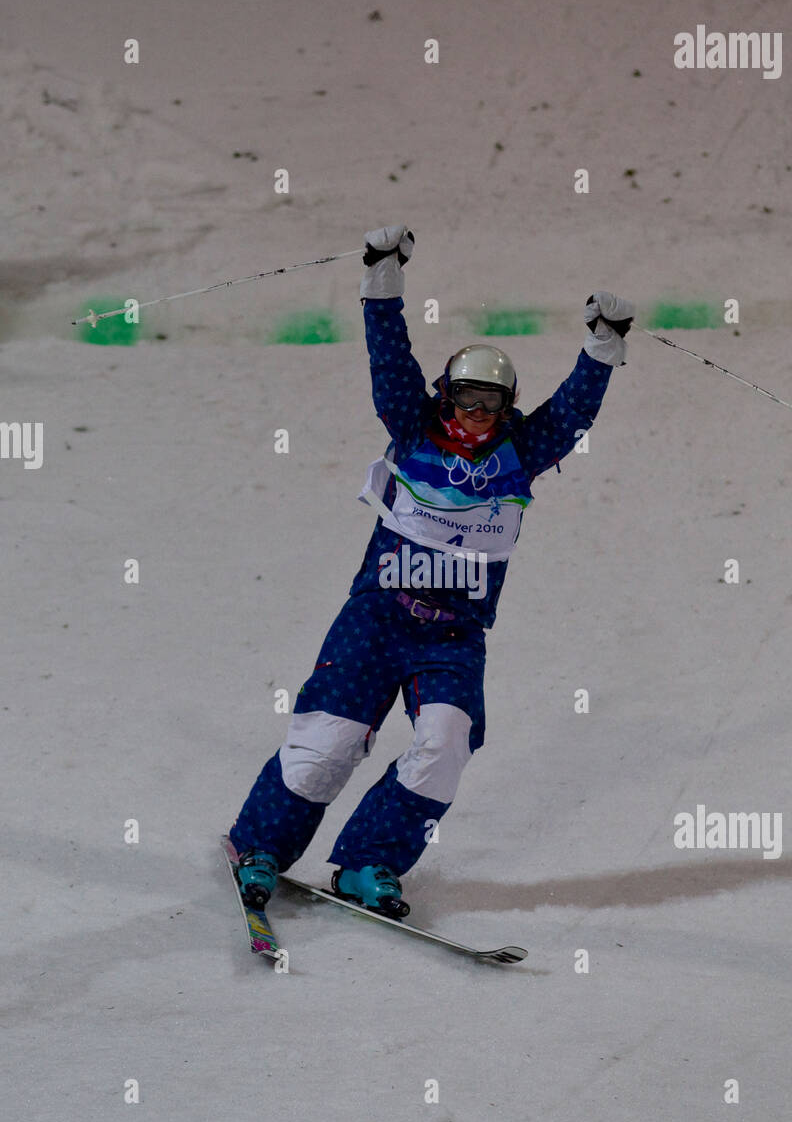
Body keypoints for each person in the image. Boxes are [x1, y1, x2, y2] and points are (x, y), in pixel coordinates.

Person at [228, 225, 633, 918]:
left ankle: (369, 863)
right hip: (378, 616)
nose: (478, 416)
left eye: (492, 405)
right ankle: (261, 844)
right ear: (446, 394)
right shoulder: (412, 429)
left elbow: (573, 411)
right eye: (467, 400)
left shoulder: (520, 452)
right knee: (326, 745)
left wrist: (603, 341)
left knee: (445, 743)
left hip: (452, 637)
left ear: (507, 410)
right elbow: (390, 355)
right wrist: (382, 273)